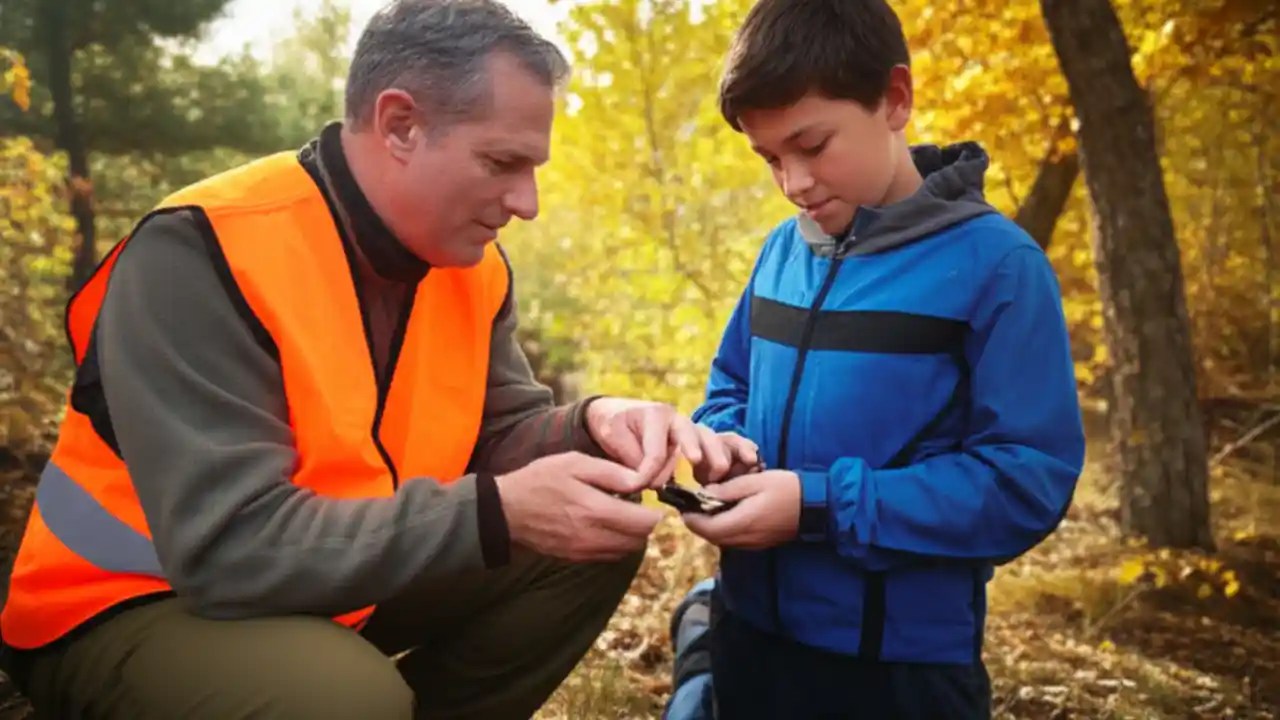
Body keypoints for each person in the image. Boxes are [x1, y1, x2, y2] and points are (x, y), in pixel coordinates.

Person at [0, 2, 737, 718]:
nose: (528, 201)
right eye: (502, 163)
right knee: (345, 699)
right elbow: (228, 552)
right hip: (127, 600)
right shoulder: (203, 250)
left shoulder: (470, 265)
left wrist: (596, 424)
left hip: (334, 573)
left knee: (590, 536)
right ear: (399, 125)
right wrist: (498, 513)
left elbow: (501, 432)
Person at [664, 1, 1088, 718]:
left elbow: (1027, 483)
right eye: (770, 159)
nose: (794, 183)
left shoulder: (999, 267)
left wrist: (819, 506)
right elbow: (730, 383)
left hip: (900, 672)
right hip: (748, 636)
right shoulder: (780, 252)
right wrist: (725, 443)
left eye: (813, 145)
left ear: (895, 98)